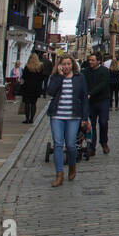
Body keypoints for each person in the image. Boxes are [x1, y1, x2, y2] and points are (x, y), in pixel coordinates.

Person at [44, 54, 90, 187]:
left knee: (70, 145)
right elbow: (51, 92)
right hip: (57, 115)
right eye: (63, 64)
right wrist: (58, 76)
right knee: (58, 144)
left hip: (73, 116)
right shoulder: (55, 77)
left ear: (73, 65)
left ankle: (72, 166)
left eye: (68, 64)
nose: (66, 67)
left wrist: (85, 118)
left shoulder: (80, 78)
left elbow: (84, 98)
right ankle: (59, 174)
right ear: (60, 65)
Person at [83, 52, 111, 156]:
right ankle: (92, 147)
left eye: (92, 60)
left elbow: (103, 84)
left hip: (103, 100)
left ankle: (104, 142)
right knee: (91, 125)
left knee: (103, 122)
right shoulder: (85, 72)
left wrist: (90, 93)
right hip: (90, 102)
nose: (90, 62)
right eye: (89, 60)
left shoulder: (105, 71)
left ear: (98, 61)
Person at [19, 52, 45, 124]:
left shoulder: (27, 66)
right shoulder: (40, 67)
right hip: (36, 87)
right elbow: (42, 77)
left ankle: (27, 119)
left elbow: (24, 77)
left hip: (27, 87)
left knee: (27, 103)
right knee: (33, 103)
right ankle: (31, 119)